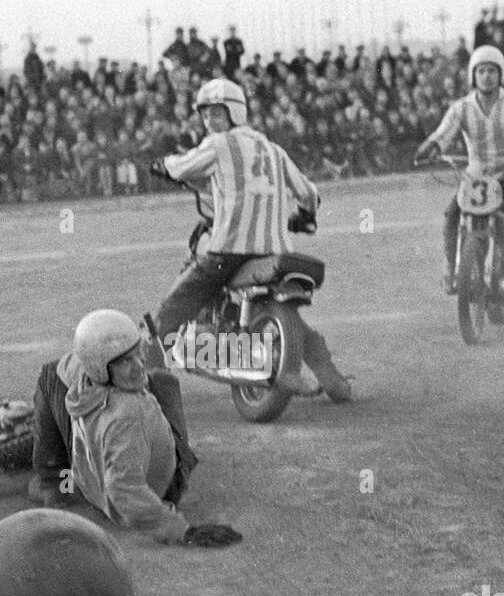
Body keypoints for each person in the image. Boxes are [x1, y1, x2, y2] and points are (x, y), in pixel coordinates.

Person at [143, 77, 352, 401]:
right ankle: (334, 381)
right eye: (206, 115)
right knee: (296, 321)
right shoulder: (274, 150)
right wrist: (304, 215)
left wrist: (161, 165)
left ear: (234, 113)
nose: (210, 122)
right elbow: (309, 193)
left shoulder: (218, 144)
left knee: (171, 310)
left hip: (229, 251)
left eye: (216, 114)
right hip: (274, 251)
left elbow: (182, 167)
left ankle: (150, 389)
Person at [28, 308, 241, 549]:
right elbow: (123, 487)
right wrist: (180, 530)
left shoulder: (83, 378)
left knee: (49, 374)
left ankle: (52, 483)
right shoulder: (131, 413)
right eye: (126, 361)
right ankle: (56, 484)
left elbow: (64, 366)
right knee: (163, 380)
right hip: (150, 495)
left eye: (137, 355)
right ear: (102, 367)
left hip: (88, 481)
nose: (138, 366)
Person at [413, 44, 504, 327]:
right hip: (477, 179)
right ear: (473, 75)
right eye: (481, 71)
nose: (487, 76)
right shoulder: (462, 107)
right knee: (451, 216)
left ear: (500, 74)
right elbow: (444, 133)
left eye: (492, 70)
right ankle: (453, 271)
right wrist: (431, 146)